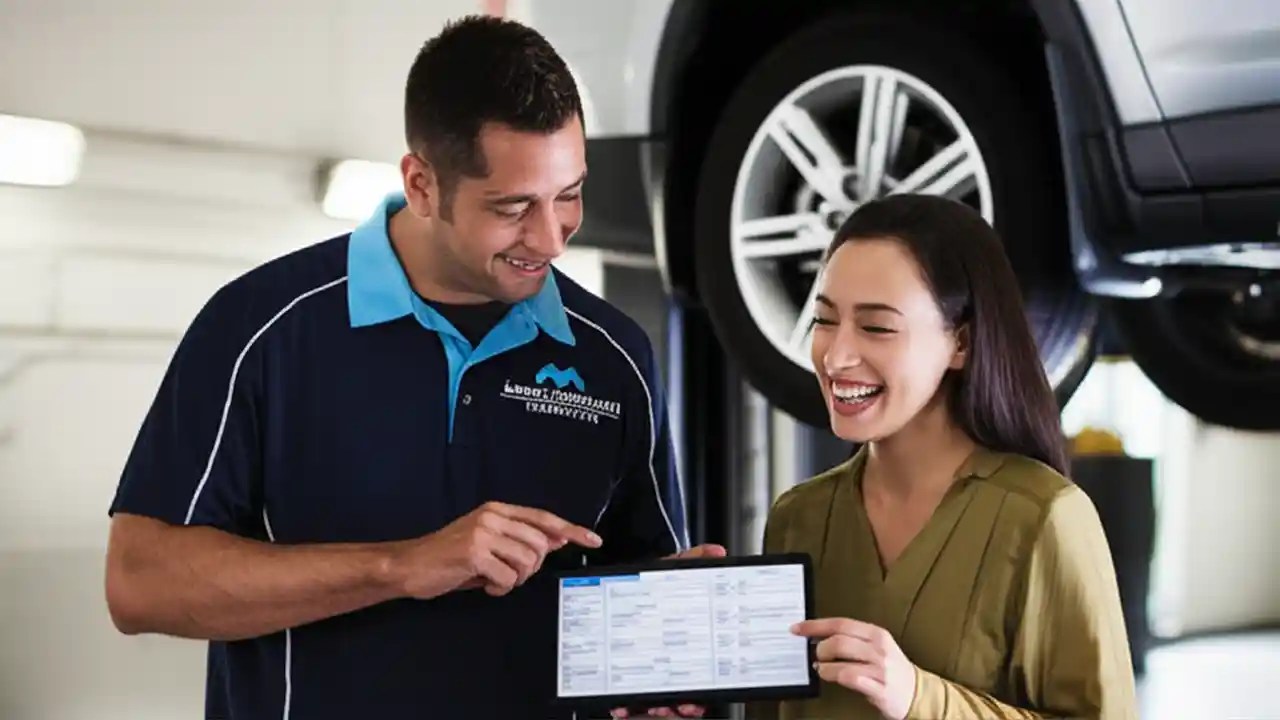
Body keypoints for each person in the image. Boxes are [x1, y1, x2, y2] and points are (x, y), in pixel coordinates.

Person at [104, 15, 722, 720]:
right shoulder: (262, 327)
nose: (550, 238)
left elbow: (638, 613)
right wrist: (402, 566)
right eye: (513, 207)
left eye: (570, 194)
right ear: (423, 184)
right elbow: (138, 583)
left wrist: (662, 672)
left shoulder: (615, 356)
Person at [751, 194, 1138, 719]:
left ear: (962, 342)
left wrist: (920, 699)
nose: (836, 356)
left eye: (877, 327)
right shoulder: (798, 517)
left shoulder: (1044, 517)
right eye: (824, 319)